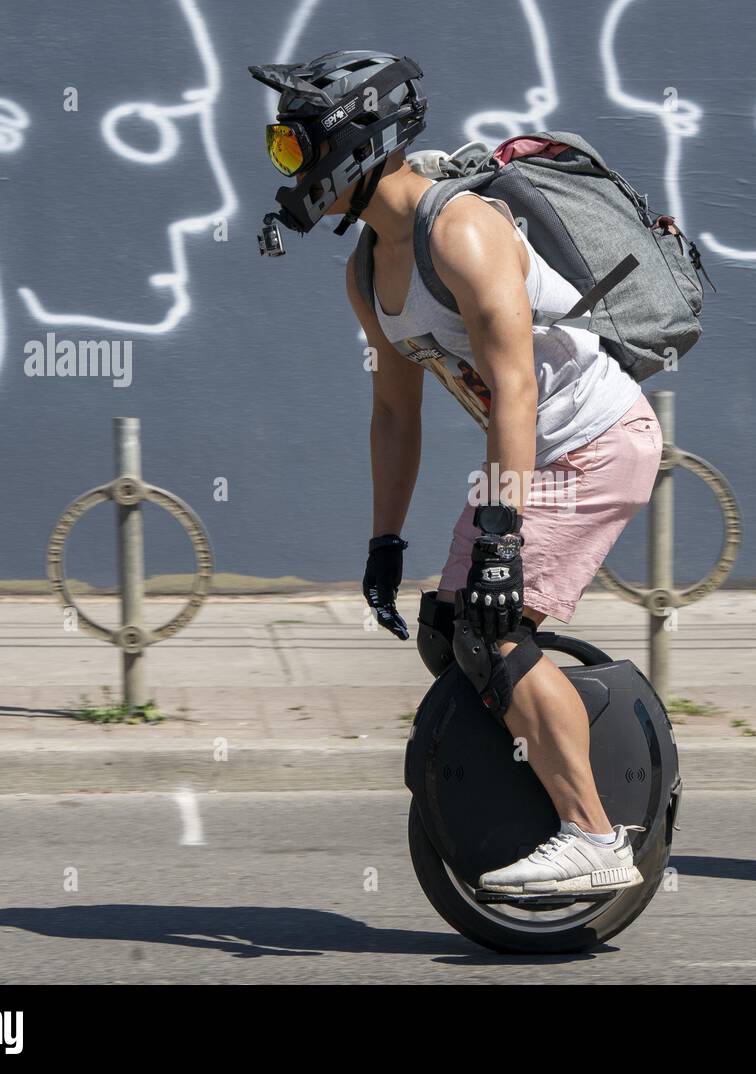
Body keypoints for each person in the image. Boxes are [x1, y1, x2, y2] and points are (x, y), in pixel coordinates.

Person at [251, 51, 662, 894]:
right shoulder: (368, 268)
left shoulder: (463, 232)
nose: (285, 172)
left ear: (351, 143)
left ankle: (593, 834)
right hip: (532, 456)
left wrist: (503, 538)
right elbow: (396, 414)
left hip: (594, 442)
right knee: (451, 631)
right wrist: (384, 539)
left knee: (491, 625)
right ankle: (540, 748)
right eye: (278, 153)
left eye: (292, 150)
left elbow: (514, 388)